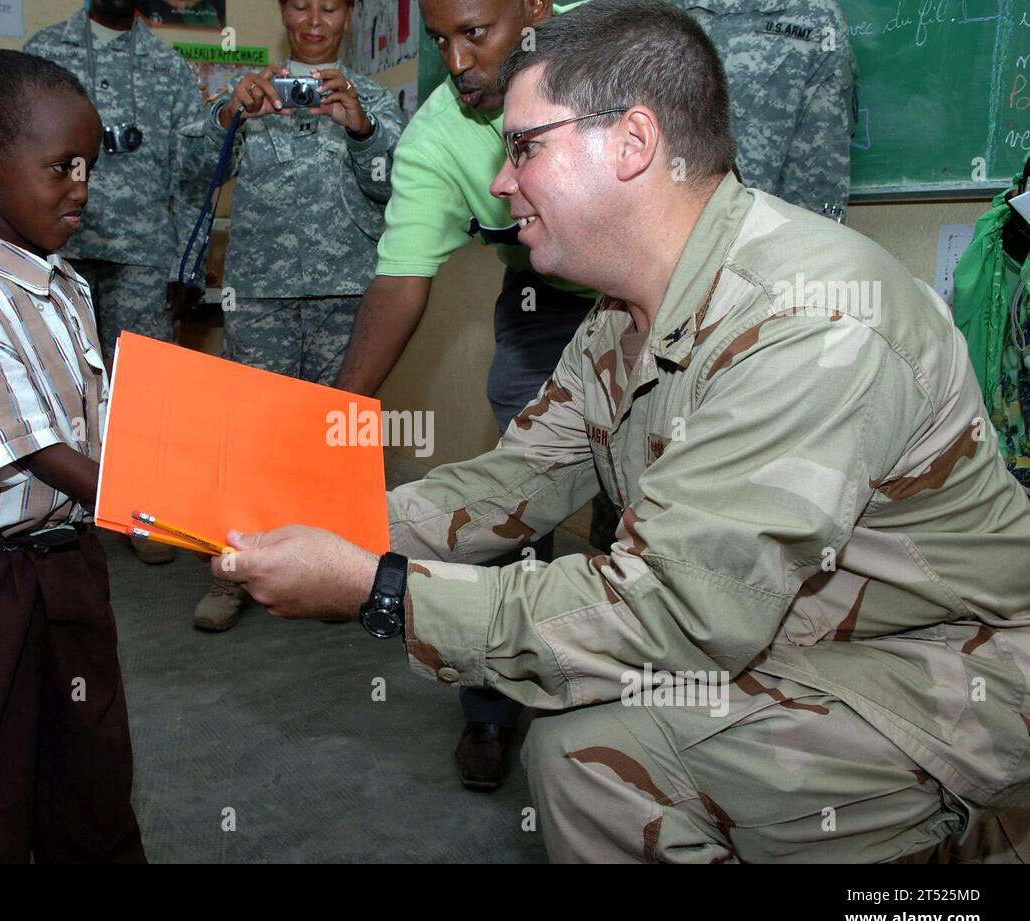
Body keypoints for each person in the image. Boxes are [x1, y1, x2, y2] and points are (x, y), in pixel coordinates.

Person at [211, 0, 1030, 863]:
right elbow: (511, 483)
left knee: (592, 753)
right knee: (584, 743)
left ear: (633, 144)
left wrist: (379, 591)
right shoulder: (625, 314)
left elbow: (668, 611)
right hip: (795, 635)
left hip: (934, 674)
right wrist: (315, 519)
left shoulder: (808, 322)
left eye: (525, 146)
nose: (499, 180)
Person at [332, 0, 601, 792]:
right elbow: (400, 279)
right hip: (543, 305)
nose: (454, 64)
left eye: (474, 34)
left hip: (656, 290)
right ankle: (492, 704)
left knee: (652, 504)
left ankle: (628, 699)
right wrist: (331, 415)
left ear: (535, 11)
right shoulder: (438, 135)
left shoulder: (612, 42)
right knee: (517, 504)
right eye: (440, 40)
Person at [0, 50, 146, 863]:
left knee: (91, 761)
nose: (81, 183)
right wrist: (151, 502)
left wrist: (143, 483)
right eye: (60, 166)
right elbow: (41, 451)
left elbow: (99, 421)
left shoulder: (68, 288)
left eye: (87, 165)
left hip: (71, 561)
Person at [182, 0, 405, 633]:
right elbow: (194, 171)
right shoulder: (246, 94)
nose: (314, 19)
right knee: (250, 441)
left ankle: (348, 576)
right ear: (283, 13)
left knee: (341, 441)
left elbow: (398, 187)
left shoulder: (375, 100)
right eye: (300, 5)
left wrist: (360, 128)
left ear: (350, 15)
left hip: (347, 294)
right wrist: (230, 114)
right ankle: (231, 576)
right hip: (260, 294)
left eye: (329, 6)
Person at [25, 0, 205, 565]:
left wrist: (188, 261)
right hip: (59, 246)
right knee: (55, 381)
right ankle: (61, 503)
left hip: (143, 248)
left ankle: (143, 514)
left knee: (146, 389)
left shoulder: (170, 67)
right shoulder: (41, 55)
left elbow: (190, 173)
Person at [680, 0, 857, 220]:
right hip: (643, 239)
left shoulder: (814, 18)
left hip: (756, 241)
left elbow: (817, 182)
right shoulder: (638, 11)